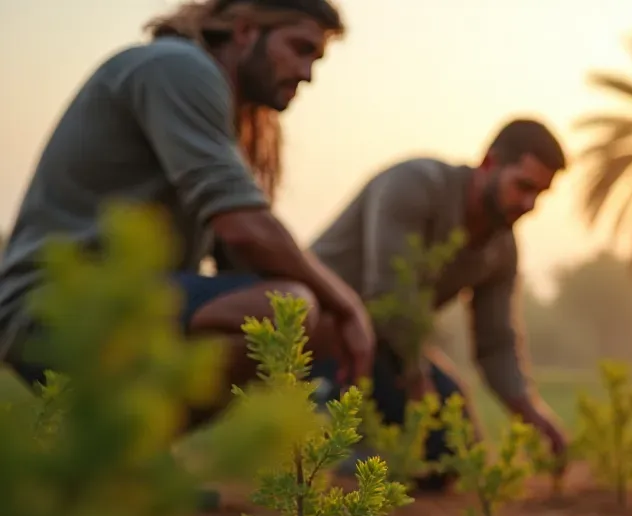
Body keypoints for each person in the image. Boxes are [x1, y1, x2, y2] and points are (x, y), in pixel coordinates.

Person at [0, 0, 376, 411]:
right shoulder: (179, 68)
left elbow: (240, 256)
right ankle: (130, 450)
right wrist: (348, 304)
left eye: (315, 59)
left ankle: (129, 454)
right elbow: (245, 228)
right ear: (246, 30)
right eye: (300, 48)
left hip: (113, 305)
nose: (306, 74)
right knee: (291, 307)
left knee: (311, 322)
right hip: (52, 308)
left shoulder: (223, 117)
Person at [307, 118, 569, 490]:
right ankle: (327, 450)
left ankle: (377, 460)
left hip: (386, 351)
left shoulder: (502, 248)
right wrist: (416, 377)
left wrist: (531, 412)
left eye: (539, 194)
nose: (529, 204)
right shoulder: (414, 186)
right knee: (388, 454)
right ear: (490, 164)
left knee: (452, 452)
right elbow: (389, 296)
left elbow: (496, 343)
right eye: (523, 186)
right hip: (321, 330)